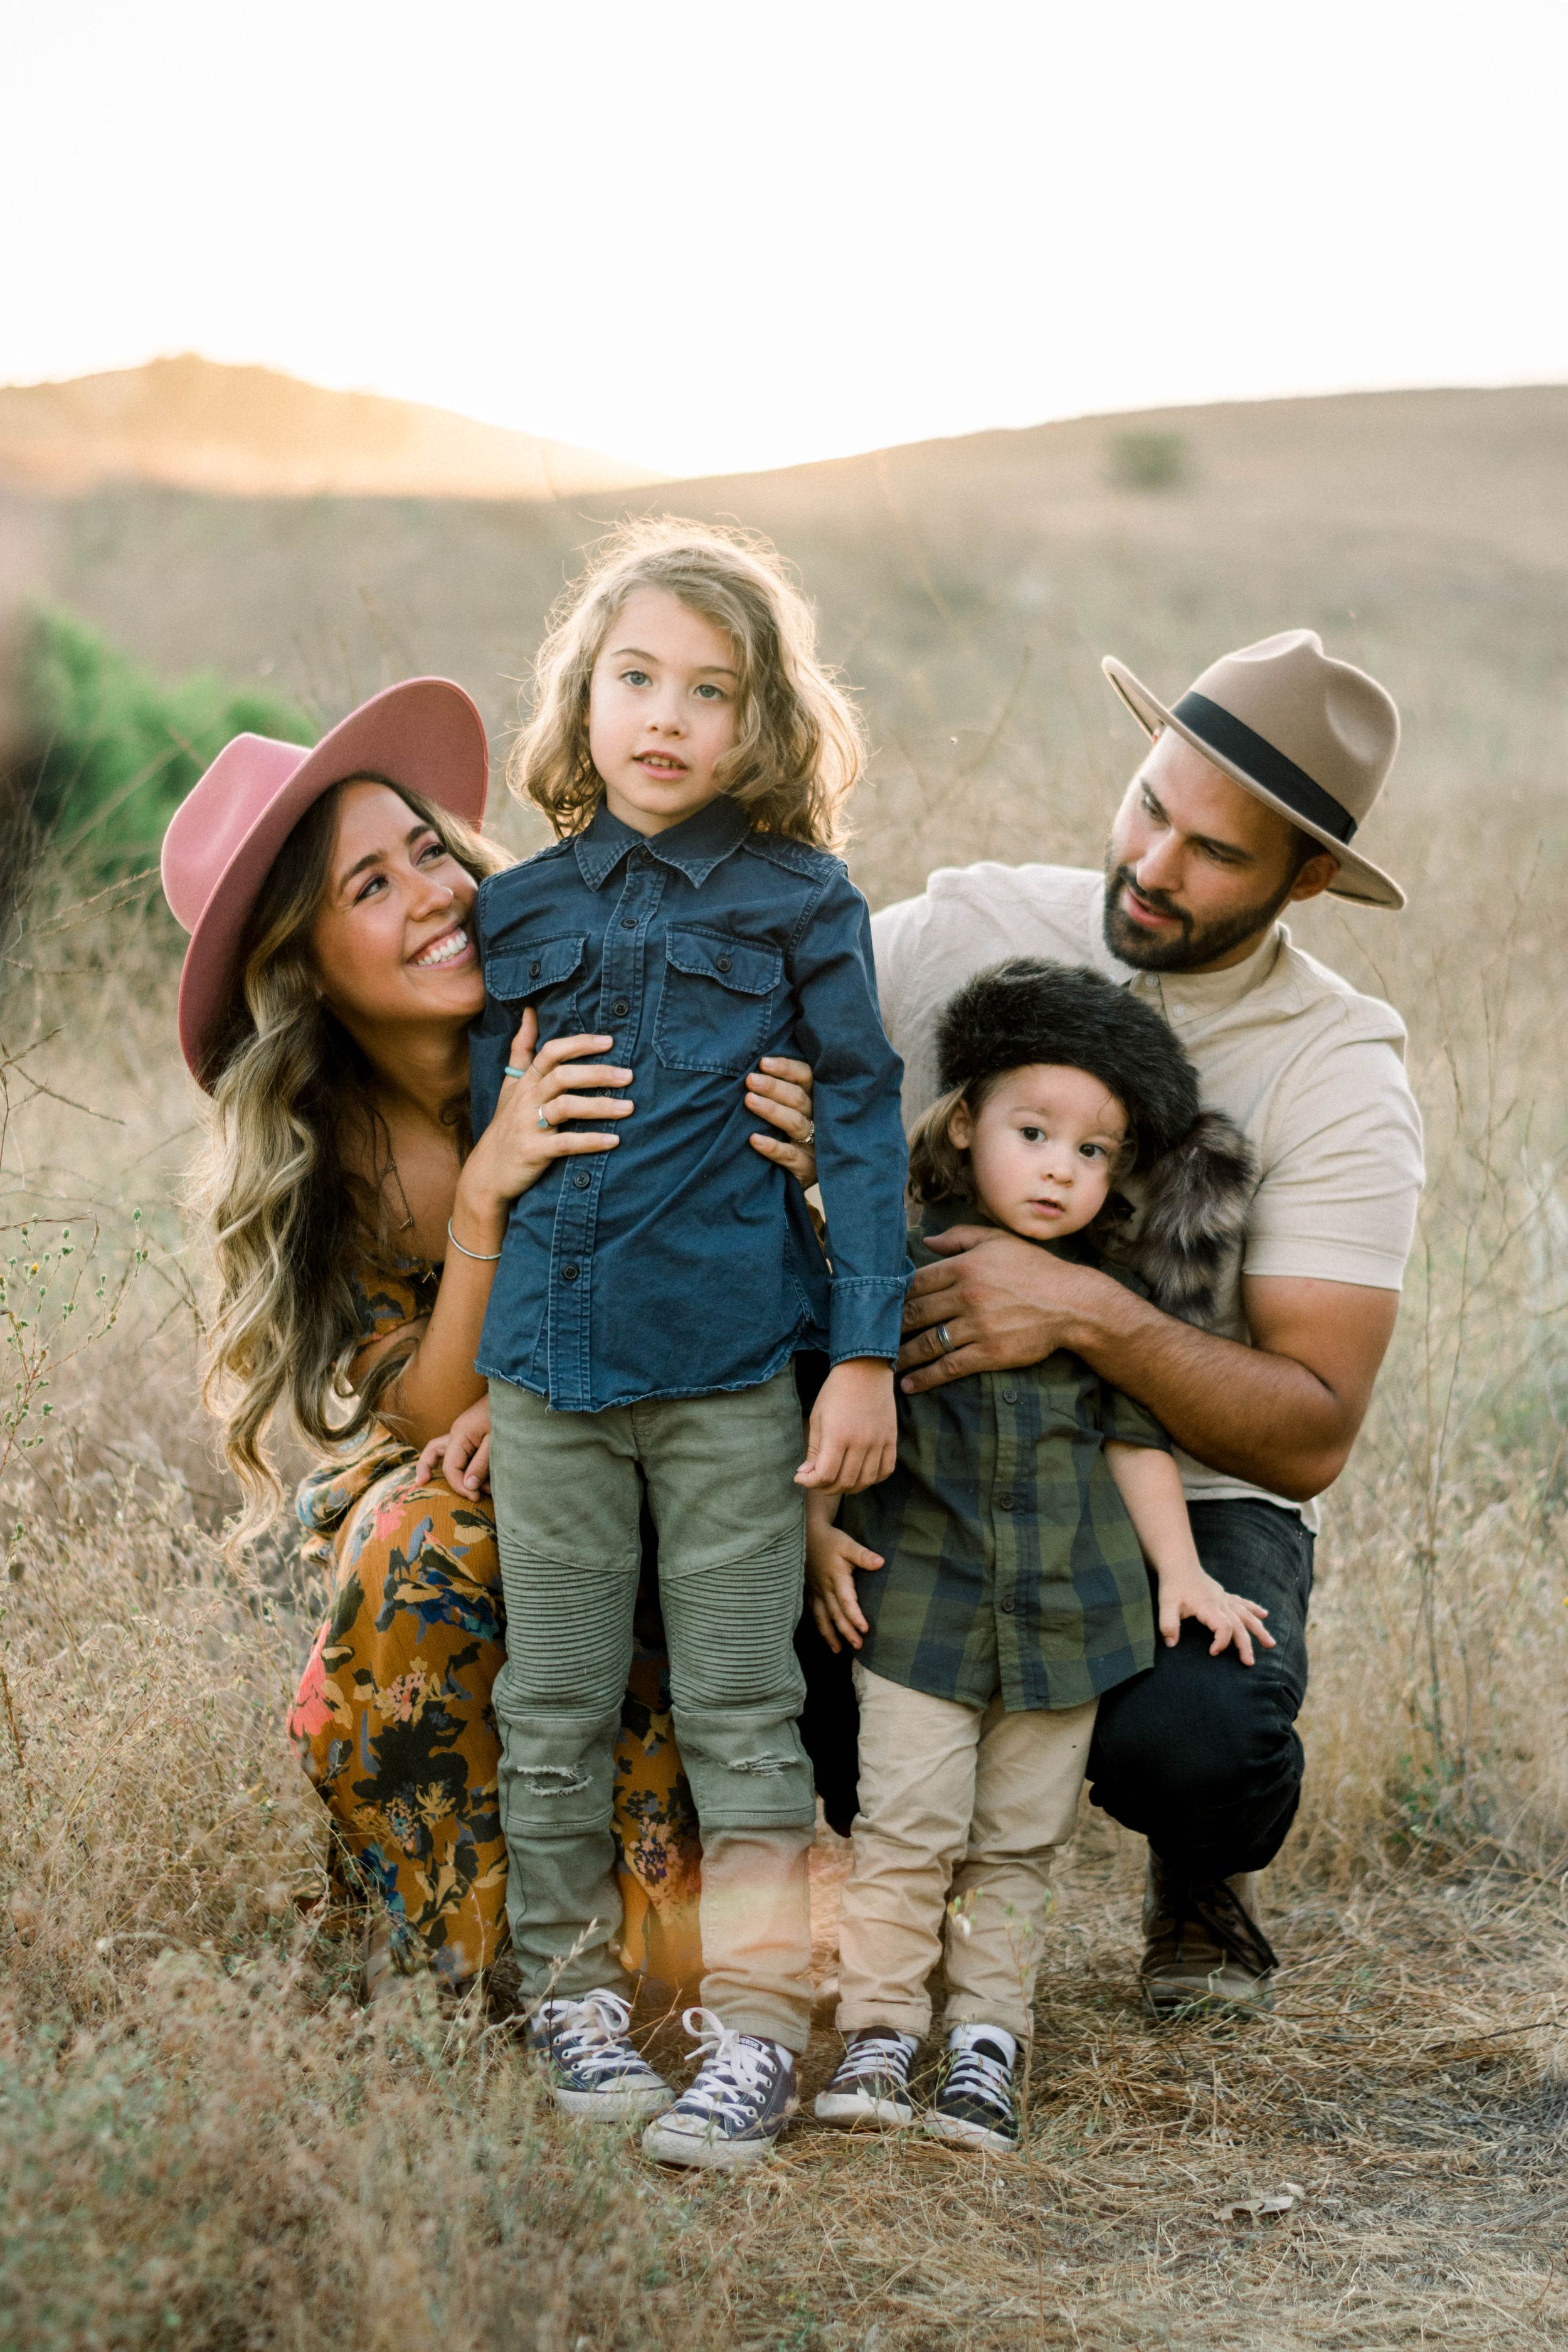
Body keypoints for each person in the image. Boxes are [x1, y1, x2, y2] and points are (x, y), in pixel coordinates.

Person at [159, 677, 819, 2001]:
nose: (433, 893)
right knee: (427, 1537)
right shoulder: (324, 1158)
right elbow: (422, 1409)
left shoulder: (598, 982)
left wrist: (795, 1170)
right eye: (369, 890)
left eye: (426, 850)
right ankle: (501, 1967)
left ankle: (692, 1908)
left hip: (700, 1402)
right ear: (302, 963)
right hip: (476, 1458)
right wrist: (481, 1196)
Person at [871, 630, 1424, 2015]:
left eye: (1213, 853)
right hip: (934, 1454)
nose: (1151, 864)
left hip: (1177, 1490)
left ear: (1304, 878)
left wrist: (1080, 1309)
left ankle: (1197, 1866)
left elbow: (1306, 1436)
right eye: (1147, 805)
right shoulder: (968, 930)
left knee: (1203, 1738)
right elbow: (726, 1020)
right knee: (746, 1620)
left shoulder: (1337, 1068)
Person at [469, 519, 910, 2168]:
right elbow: (485, 1146)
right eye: (634, 677)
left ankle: (750, 2025)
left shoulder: (803, 901)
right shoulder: (516, 908)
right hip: (548, 1378)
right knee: (555, 1695)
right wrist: (480, 1378)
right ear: (582, 696)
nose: (665, 716)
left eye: (709, 691)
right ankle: (574, 1997)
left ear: (764, 724)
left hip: (731, 1369)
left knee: (741, 1700)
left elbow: (857, 1131)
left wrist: (857, 1352)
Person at [805, 959, 1271, 2151]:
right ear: (966, 1124)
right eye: (1033, 1132)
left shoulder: (1101, 1296)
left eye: (1095, 1151)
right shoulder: (894, 1266)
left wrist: (1184, 1571)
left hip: (1066, 1623)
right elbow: (821, 1399)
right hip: (919, 1609)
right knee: (907, 1825)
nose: (1062, 1167)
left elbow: (1134, 1442)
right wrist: (812, 1526)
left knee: (1018, 1841)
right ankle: (878, 2027)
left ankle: (987, 2040)